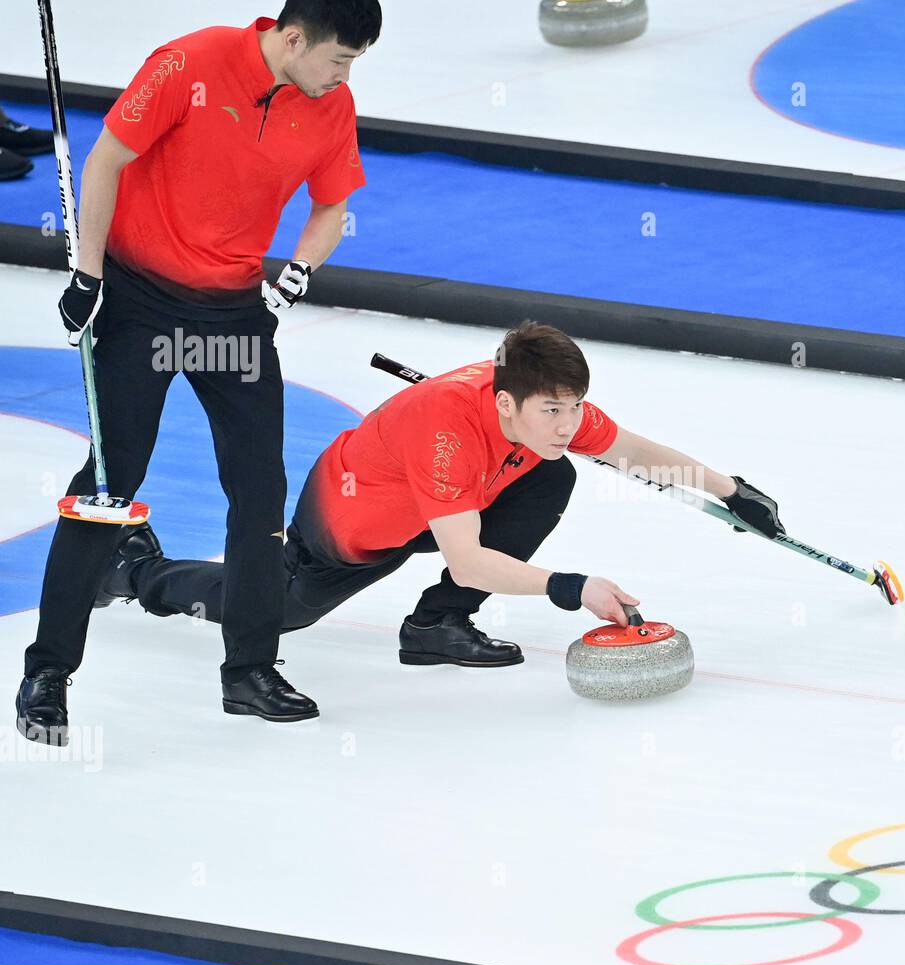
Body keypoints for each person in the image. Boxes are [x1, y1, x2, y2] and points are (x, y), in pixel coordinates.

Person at [92, 322, 786, 720]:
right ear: (505, 402)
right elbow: (469, 560)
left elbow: (633, 451)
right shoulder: (446, 428)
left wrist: (734, 491)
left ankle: (435, 627)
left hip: (450, 501)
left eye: (575, 408)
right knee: (276, 612)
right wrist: (577, 587)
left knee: (555, 472)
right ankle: (135, 568)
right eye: (553, 412)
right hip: (352, 526)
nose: (569, 423)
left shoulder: (550, 410)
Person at [16, 1, 383, 746]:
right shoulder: (187, 64)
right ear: (292, 38)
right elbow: (107, 159)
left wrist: (293, 280)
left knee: (258, 489)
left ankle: (249, 668)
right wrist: (88, 273)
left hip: (232, 320)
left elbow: (333, 205)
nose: (345, 76)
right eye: (339, 58)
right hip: (141, 306)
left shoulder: (330, 103)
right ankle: (48, 671)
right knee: (109, 487)